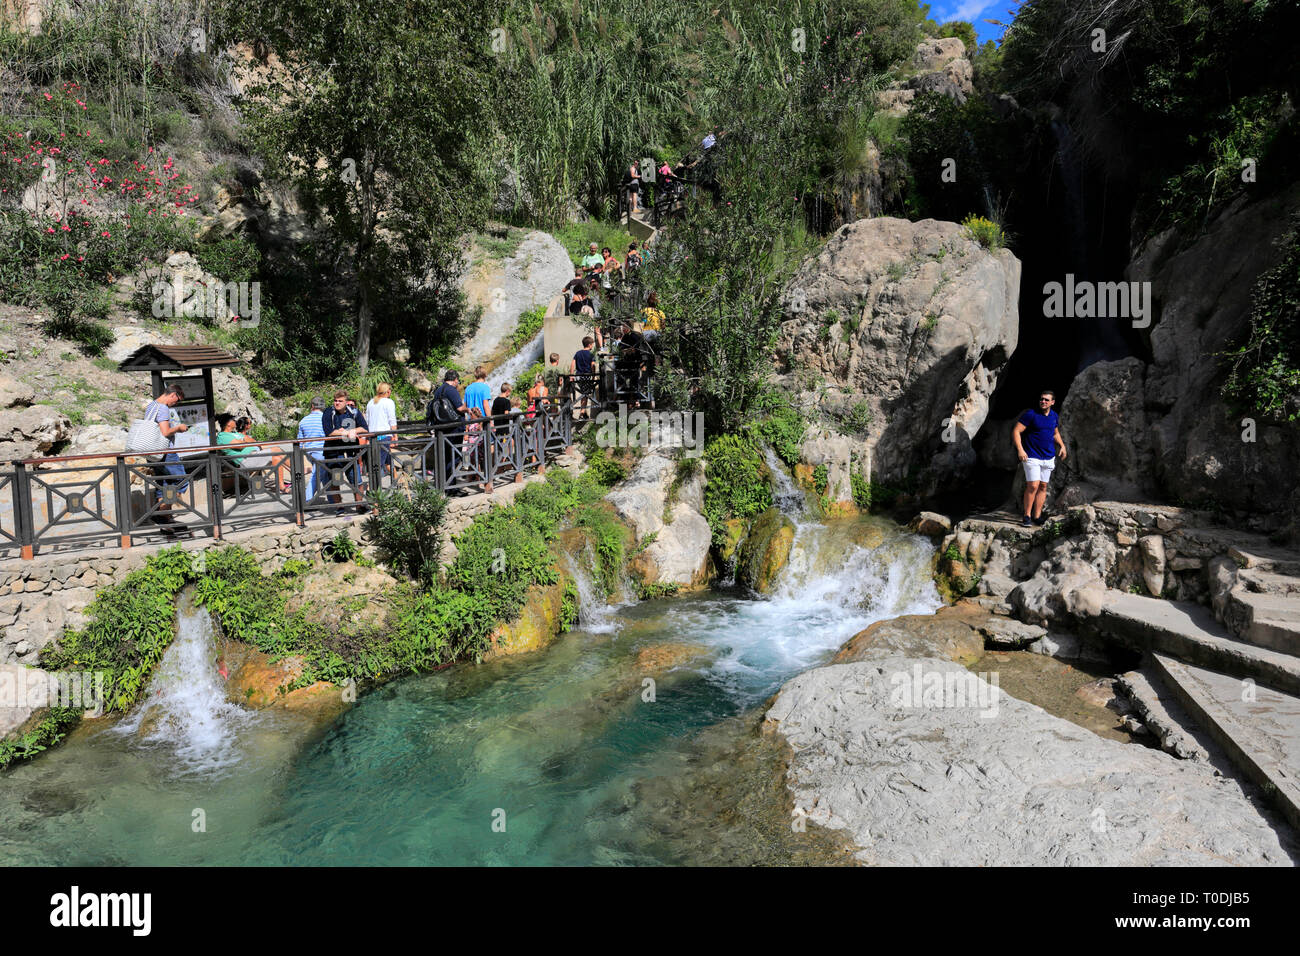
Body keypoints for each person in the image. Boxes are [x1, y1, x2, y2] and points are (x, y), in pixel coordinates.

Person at [1012, 390, 1068, 527]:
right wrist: (1020, 449)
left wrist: (1062, 445)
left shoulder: (1054, 416)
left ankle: (1037, 516)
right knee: (1033, 485)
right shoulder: (1031, 414)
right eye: (1042, 399)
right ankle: (1026, 516)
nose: (1043, 401)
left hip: (1048, 456)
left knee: (1043, 486)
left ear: (1052, 402)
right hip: (1031, 456)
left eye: (1046, 400)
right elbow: (1016, 431)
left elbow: (1055, 432)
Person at [143, 384, 189, 533]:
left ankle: (165, 517)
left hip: (153, 452)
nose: (174, 404)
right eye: (176, 401)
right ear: (173, 395)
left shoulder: (151, 405)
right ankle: (162, 513)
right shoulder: (163, 408)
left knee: (163, 482)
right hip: (166, 452)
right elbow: (165, 432)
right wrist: (179, 428)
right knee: (180, 479)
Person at [320, 391, 369, 512]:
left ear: (346, 402)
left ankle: (359, 505)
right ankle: (339, 507)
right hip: (333, 452)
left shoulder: (354, 412)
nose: (337, 403)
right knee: (335, 480)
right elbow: (329, 432)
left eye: (340, 401)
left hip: (351, 452)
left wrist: (354, 430)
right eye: (335, 400)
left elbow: (364, 428)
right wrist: (344, 432)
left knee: (357, 480)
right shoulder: (328, 412)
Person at [427, 370, 468, 489]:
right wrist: (469, 408)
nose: (458, 383)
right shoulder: (452, 390)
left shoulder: (438, 390)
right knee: (454, 456)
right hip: (454, 427)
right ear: (455, 379)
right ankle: (452, 486)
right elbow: (460, 408)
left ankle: (443, 484)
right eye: (457, 381)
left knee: (444, 456)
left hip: (442, 428)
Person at [296, 396, 327, 500]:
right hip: (322, 452)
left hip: (309, 452)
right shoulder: (325, 419)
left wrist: (298, 457)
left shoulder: (303, 421)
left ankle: (333, 500)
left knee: (324, 474)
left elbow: (299, 441)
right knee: (317, 475)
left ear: (312, 406)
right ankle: (306, 500)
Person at [365, 382, 398, 479]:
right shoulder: (388, 402)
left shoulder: (371, 402)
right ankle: (371, 488)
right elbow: (392, 420)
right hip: (384, 436)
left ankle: (397, 480)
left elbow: (367, 421)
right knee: (378, 465)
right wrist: (395, 435)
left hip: (373, 437)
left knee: (387, 460)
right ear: (388, 391)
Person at [570, 336, 597, 420]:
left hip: (578, 376)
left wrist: (571, 375)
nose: (592, 346)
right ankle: (582, 413)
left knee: (583, 393)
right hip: (587, 376)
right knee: (585, 394)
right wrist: (593, 375)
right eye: (592, 344)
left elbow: (572, 364)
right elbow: (593, 365)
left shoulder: (578, 353)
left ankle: (583, 412)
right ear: (589, 345)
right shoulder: (591, 354)